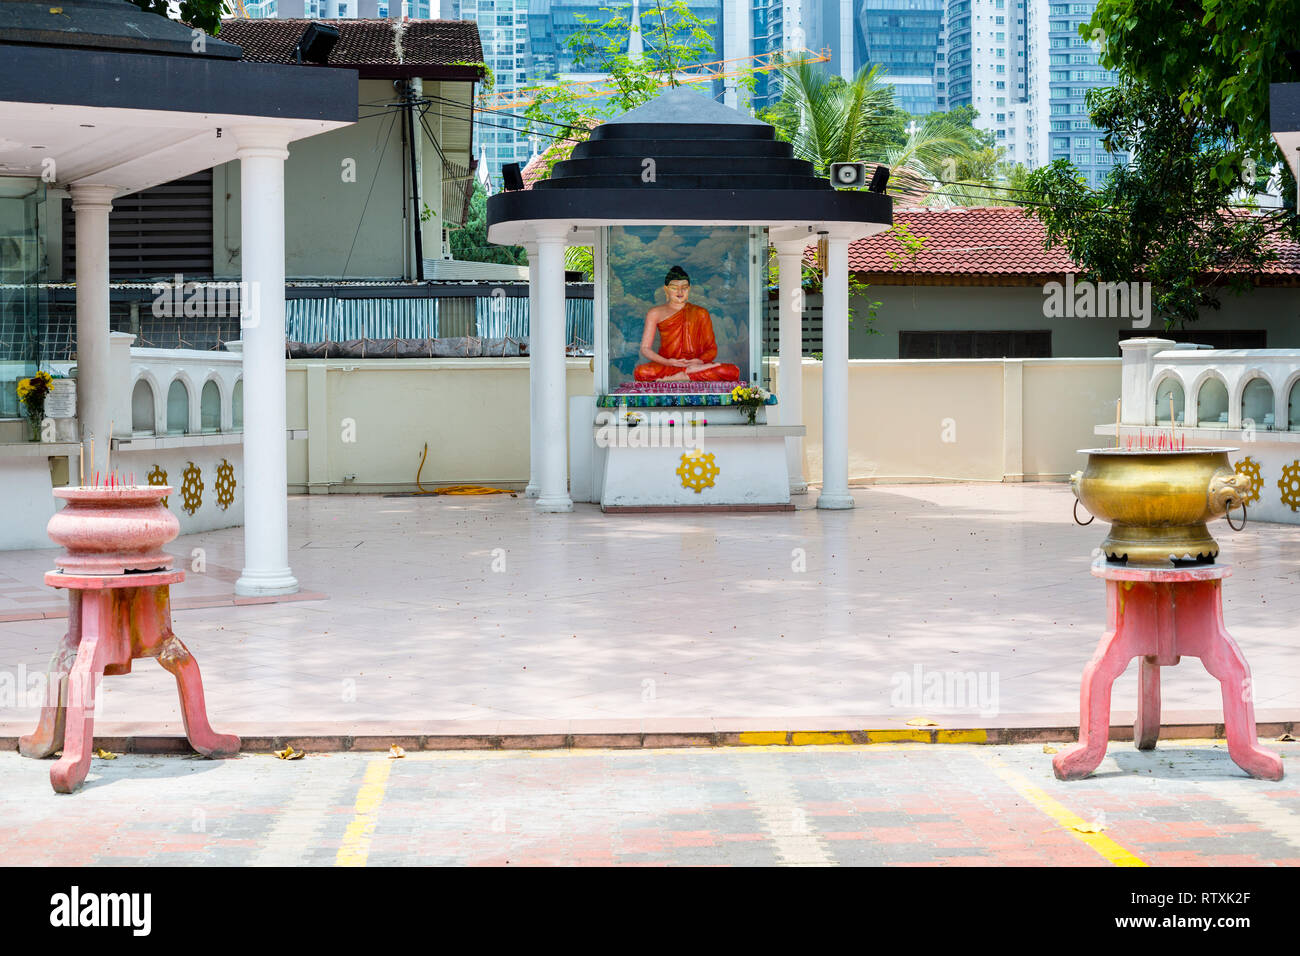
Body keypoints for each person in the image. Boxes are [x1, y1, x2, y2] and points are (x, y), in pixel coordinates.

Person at [633, 265, 741, 383]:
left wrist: (699, 362)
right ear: (666, 289)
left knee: (732, 371)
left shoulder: (701, 313)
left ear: (689, 289)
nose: (680, 292)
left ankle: (679, 377)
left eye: (684, 287)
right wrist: (668, 362)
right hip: (668, 366)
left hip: (696, 365)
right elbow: (645, 348)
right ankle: (687, 375)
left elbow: (711, 349)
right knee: (641, 372)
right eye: (674, 288)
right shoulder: (655, 313)